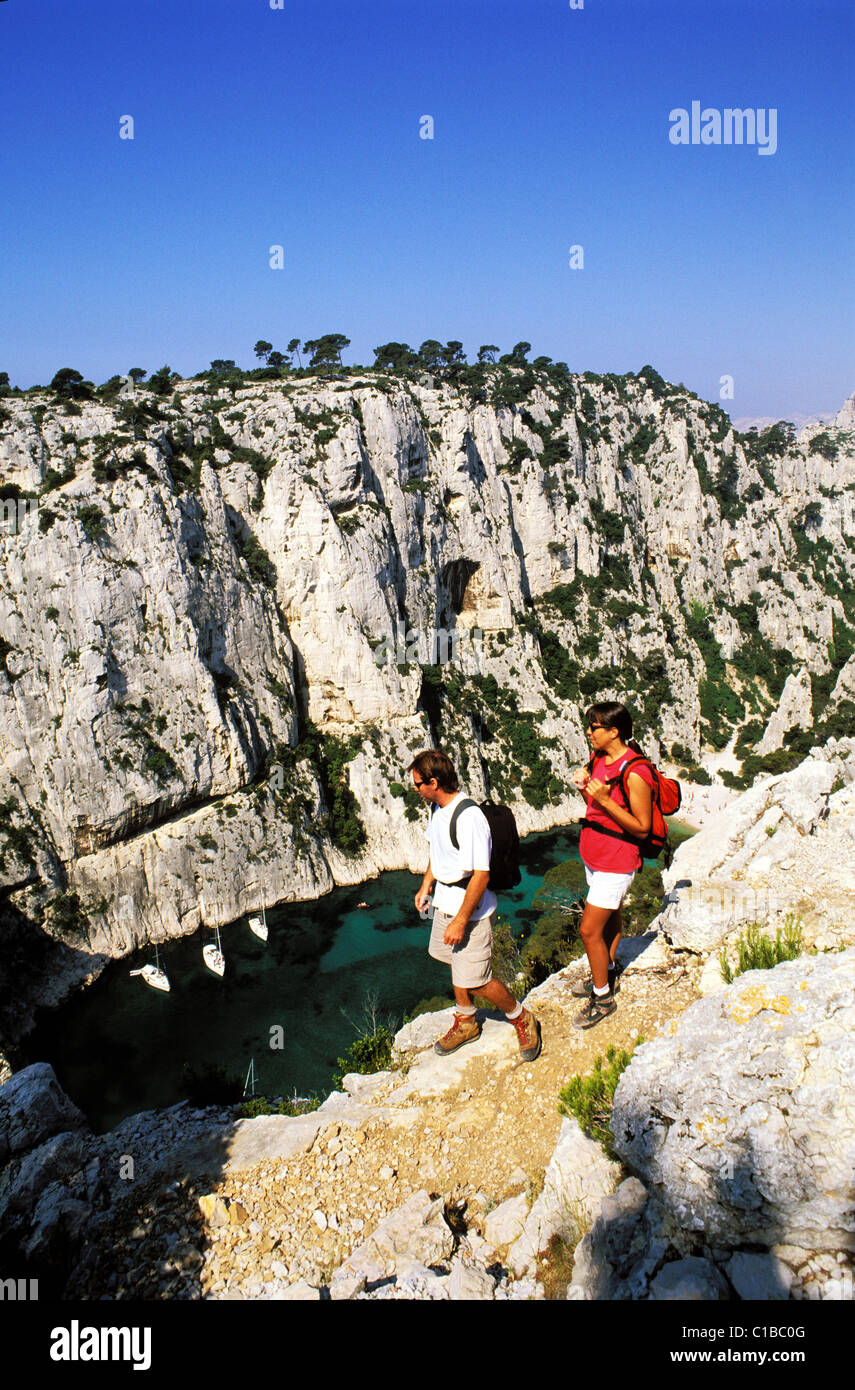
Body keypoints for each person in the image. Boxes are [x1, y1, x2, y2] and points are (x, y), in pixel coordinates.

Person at [408, 749, 542, 1061]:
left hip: (472, 911)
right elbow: (438, 851)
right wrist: (427, 884)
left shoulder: (469, 818)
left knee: (478, 979)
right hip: (445, 902)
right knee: (454, 961)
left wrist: (461, 920)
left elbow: (482, 875)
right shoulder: (437, 809)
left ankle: (522, 1017)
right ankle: (466, 1020)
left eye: (418, 785)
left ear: (434, 782)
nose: (415, 790)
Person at [570, 703, 654, 1030]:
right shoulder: (599, 761)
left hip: (617, 862)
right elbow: (596, 812)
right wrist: (586, 792)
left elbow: (641, 827)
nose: (589, 732)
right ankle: (608, 969)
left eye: (594, 727)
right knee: (611, 915)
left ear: (614, 731)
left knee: (588, 930)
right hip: (594, 857)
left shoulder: (636, 771)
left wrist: (604, 799)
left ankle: (602, 997)